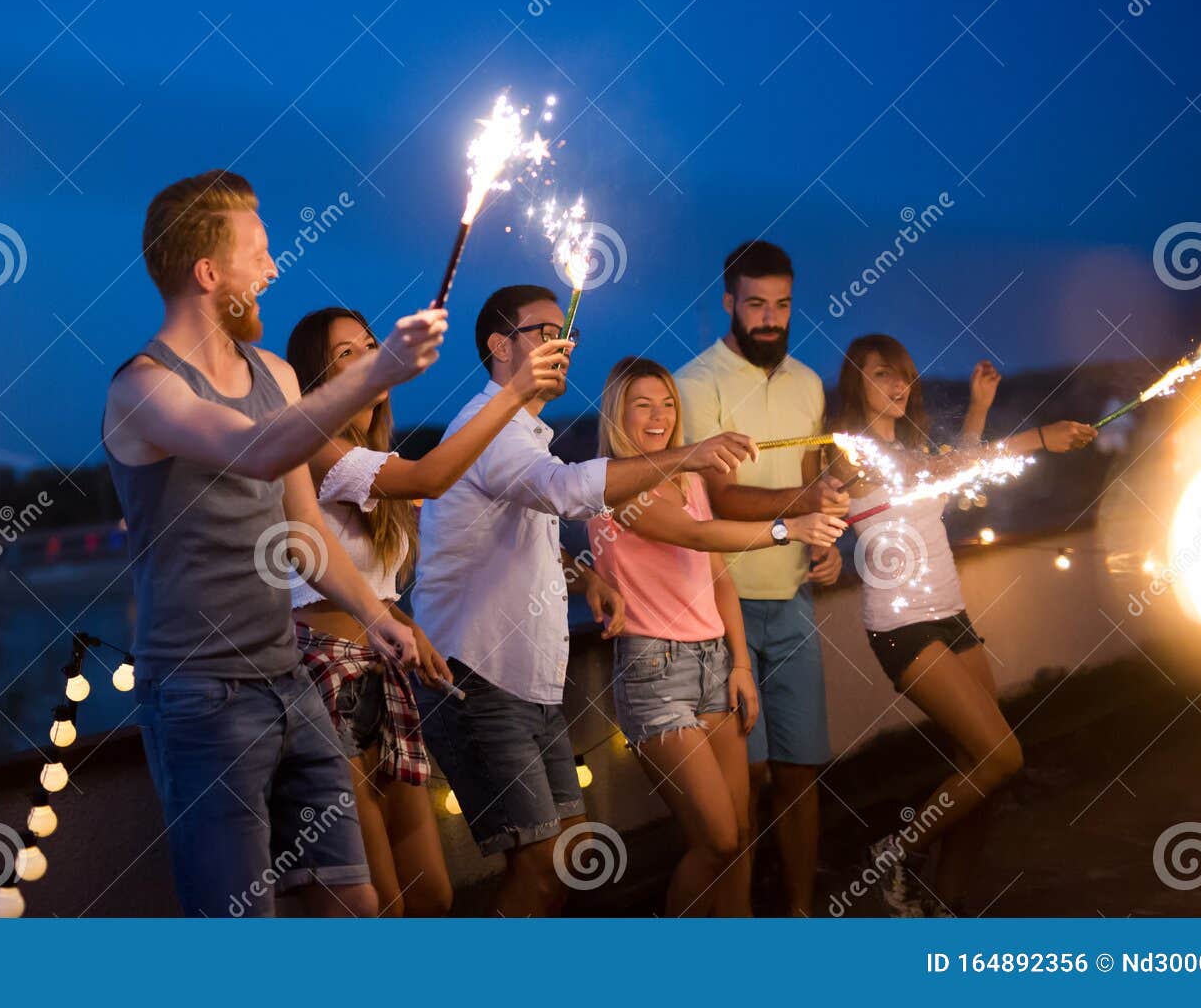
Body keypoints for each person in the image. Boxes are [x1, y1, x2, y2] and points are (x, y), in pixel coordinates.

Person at [102, 170, 447, 918]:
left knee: (350, 903)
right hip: (201, 696)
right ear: (208, 273)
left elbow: (300, 529)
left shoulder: (279, 375)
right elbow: (254, 450)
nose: (272, 268)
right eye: (257, 252)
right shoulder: (142, 389)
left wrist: (377, 614)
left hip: (290, 679)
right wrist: (380, 368)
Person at [412, 284, 758, 916]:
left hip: (532, 685)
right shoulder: (489, 433)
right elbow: (569, 492)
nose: (562, 343)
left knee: (560, 868)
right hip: (479, 679)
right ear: (498, 345)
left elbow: (528, 528)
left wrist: (585, 576)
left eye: (564, 333)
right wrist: (695, 457)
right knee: (538, 871)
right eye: (545, 332)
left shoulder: (522, 433)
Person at [283, 305, 571, 917]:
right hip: (326, 679)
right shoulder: (314, 449)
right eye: (346, 353)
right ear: (317, 377)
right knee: (375, 904)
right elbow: (433, 477)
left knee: (430, 894)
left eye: (369, 344)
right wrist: (513, 392)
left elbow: (378, 594)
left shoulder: (369, 458)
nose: (367, 357)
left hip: (387, 676)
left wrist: (415, 633)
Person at [828, 335, 1095, 916]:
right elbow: (950, 469)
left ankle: (941, 909)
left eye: (904, 375)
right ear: (857, 385)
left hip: (952, 617)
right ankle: (892, 852)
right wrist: (1040, 438)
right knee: (1003, 756)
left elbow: (950, 473)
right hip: (903, 628)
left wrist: (976, 407)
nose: (899, 385)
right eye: (882, 375)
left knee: (978, 772)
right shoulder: (849, 461)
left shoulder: (914, 451)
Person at [592, 357, 848, 916]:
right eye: (643, 404)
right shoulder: (611, 484)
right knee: (718, 840)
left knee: (742, 832)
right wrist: (789, 527)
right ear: (618, 413)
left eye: (667, 404)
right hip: (654, 672)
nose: (659, 415)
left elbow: (716, 571)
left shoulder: (687, 478)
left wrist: (739, 664)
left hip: (714, 662)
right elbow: (696, 532)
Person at [674, 239, 848, 917]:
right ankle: (741, 931)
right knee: (745, 781)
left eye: (781, 305)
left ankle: (801, 916)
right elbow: (716, 500)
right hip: (724, 608)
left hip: (794, 597)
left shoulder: (808, 382)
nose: (771, 318)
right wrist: (805, 507)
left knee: (802, 772)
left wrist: (829, 542)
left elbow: (810, 483)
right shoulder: (696, 383)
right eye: (756, 304)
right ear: (728, 302)